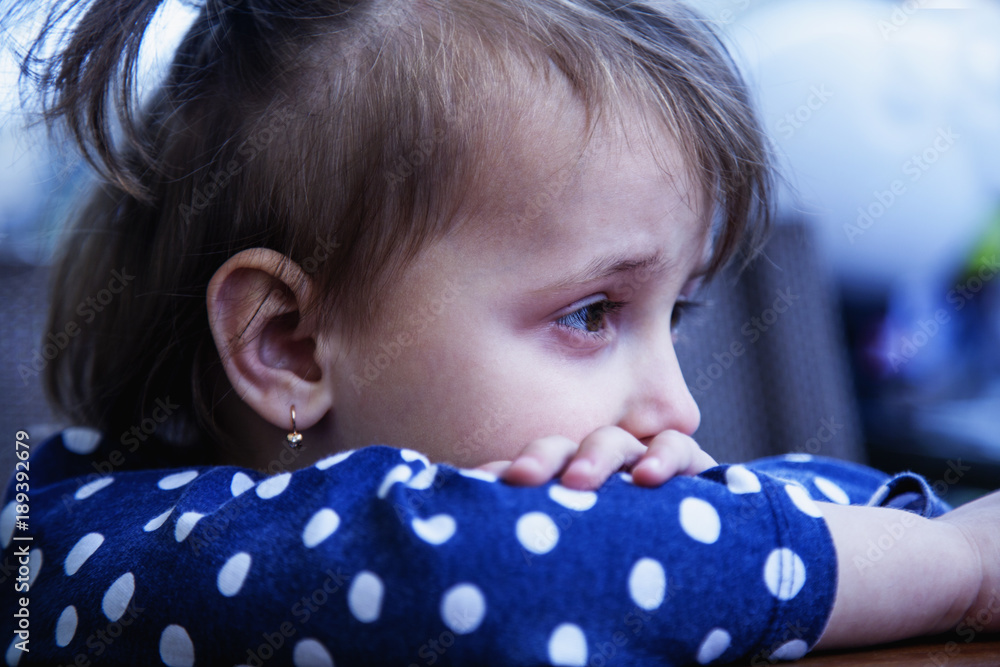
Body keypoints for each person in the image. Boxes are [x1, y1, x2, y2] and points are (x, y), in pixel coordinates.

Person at [2, 0, 998, 665]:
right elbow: (496, 567)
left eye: (678, 313)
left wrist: (907, 527)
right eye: (590, 313)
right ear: (290, 347)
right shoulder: (84, 542)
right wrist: (952, 566)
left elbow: (757, 503)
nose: (680, 406)